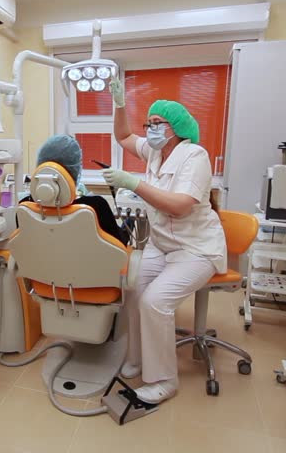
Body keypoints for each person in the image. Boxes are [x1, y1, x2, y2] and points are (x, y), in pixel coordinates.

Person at [103, 77, 226, 404]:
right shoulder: (154, 152)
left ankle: (163, 381)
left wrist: (132, 182)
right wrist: (119, 104)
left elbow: (180, 205)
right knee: (133, 289)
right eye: (150, 122)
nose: (152, 128)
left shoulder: (194, 156)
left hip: (196, 250)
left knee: (155, 301)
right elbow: (124, 136)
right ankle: (139, 358)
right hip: (161, 245)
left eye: (159, 124)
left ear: (178, 128)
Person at [20, 135, 129, 246]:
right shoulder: (95, 206)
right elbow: (119, 244)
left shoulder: (25, 207)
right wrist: (128, 225)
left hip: (41, 263)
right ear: (75, 169)